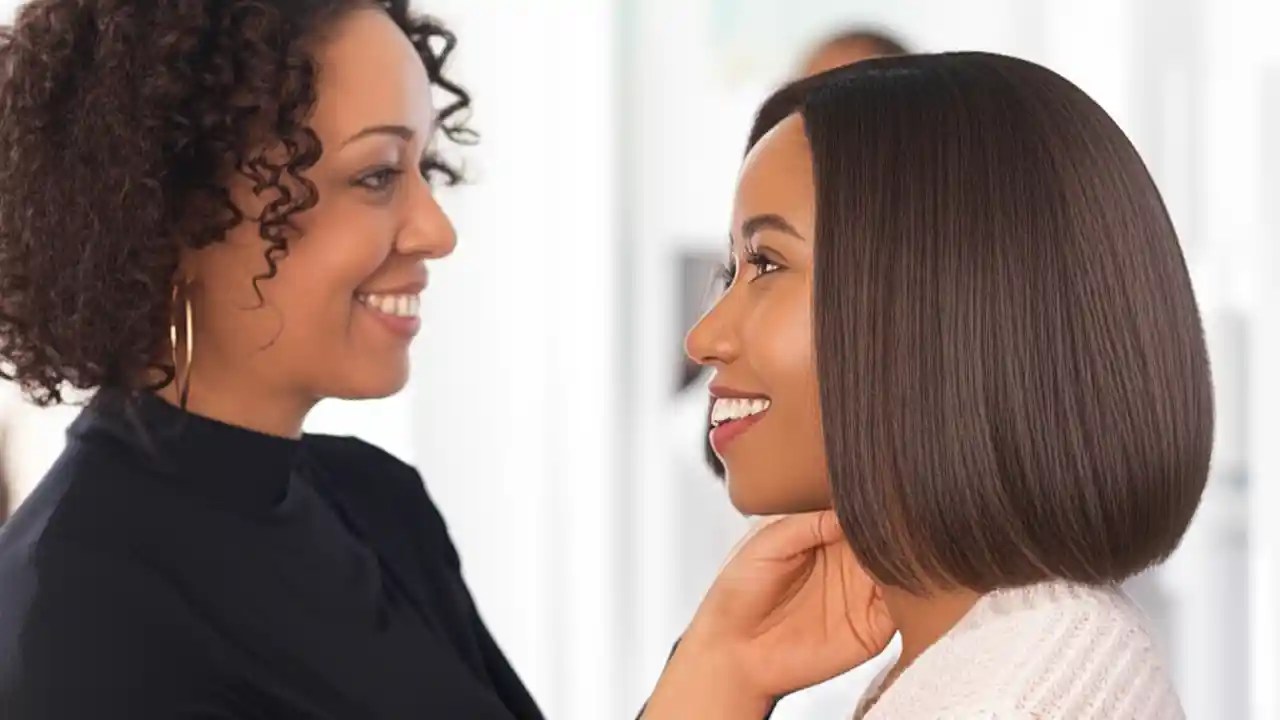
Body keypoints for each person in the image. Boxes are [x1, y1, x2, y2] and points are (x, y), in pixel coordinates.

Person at [0, 1, 892, 717]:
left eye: (427, 167)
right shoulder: (78, 613)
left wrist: (724, 668)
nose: (436, 229)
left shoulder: (374, 504)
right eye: (378, 174)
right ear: (181, 205)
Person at [684, 52, 1212, 718]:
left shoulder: (1016, 695)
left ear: (931, 308)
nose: (703, 338)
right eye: (732, 269)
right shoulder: (1010, 662)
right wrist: (718, 676)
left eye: (766, 263)